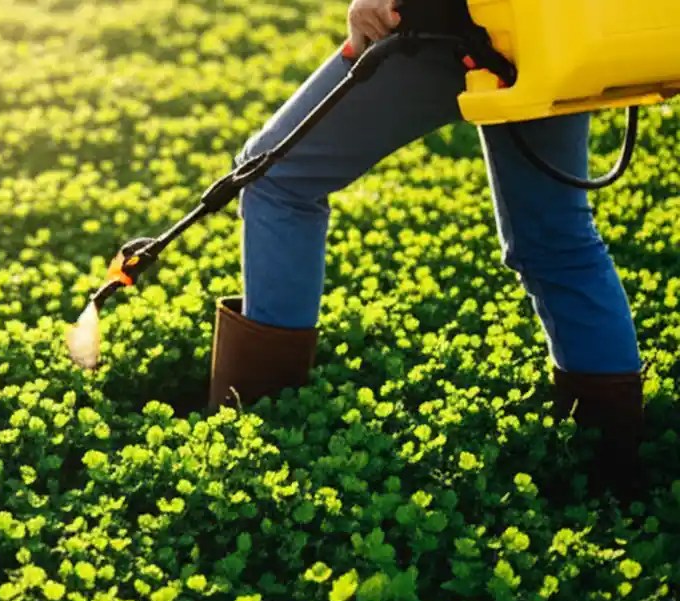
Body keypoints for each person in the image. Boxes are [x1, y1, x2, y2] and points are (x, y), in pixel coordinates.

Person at [206, 0, 648, 502]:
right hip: (561, 22)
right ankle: (612, 478)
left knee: (277, 179)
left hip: (461, 20)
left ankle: (258, 443)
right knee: (558, 240)